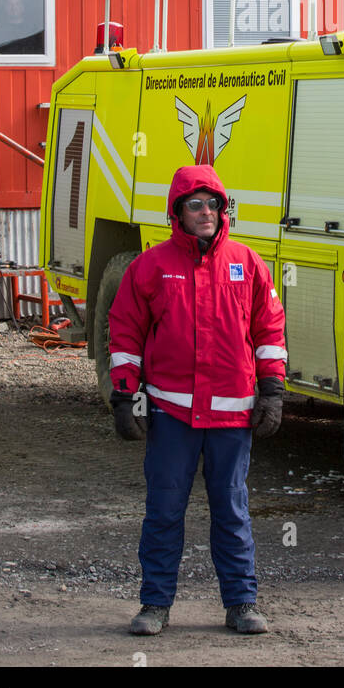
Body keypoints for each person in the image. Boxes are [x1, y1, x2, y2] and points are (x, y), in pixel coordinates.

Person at [107, 163, 287, 637]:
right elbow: (125, 331)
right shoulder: (151, 267)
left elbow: (269, 331)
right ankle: (155, 605)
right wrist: (125, 396)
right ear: (178, 213)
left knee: (231, 510)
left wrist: (272, 390)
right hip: (172, 416)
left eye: (213, 204)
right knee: (164, 511)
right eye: (195, 205)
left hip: (232, 417)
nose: (206, 212)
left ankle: (242, 603)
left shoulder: (248, 264)